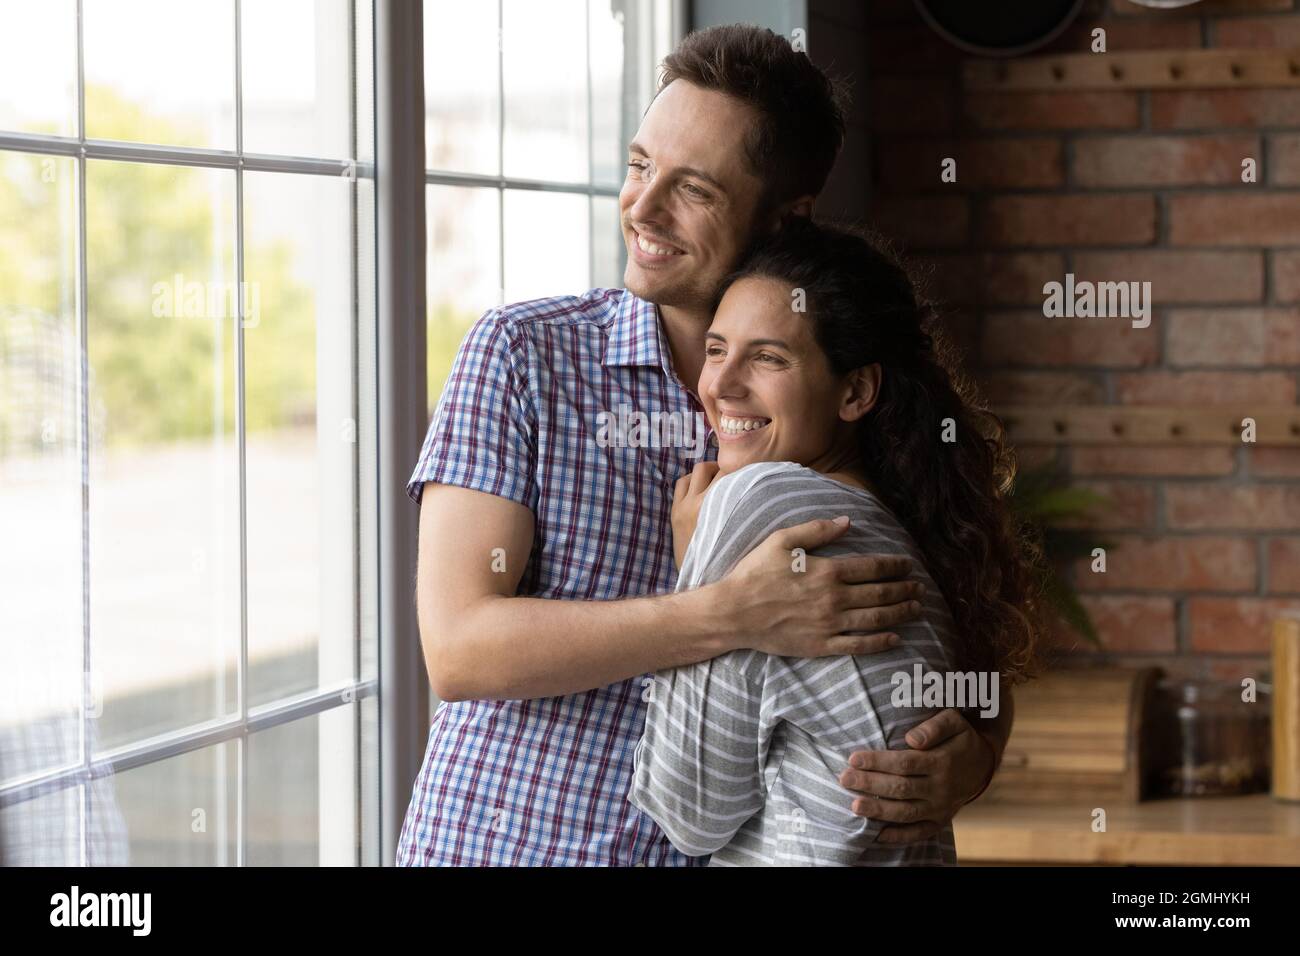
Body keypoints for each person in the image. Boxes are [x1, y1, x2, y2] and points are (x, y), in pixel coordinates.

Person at [397, 25, 1013, 867]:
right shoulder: (524, 356)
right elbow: (460, 648)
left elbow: (941, 607)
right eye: (641, 165)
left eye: (693, 189)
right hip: (506, 848)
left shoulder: (815, 401)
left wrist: (973, 749)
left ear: (782, 217)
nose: (643, 209)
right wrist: (723, 613)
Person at [628, 220, 1046, 866]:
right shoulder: (904, 517)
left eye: (768, 358)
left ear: (855, 391)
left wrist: (702, 579)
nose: (722, 385)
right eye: (716, 350)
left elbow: (690, 812)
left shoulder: (758, 499)